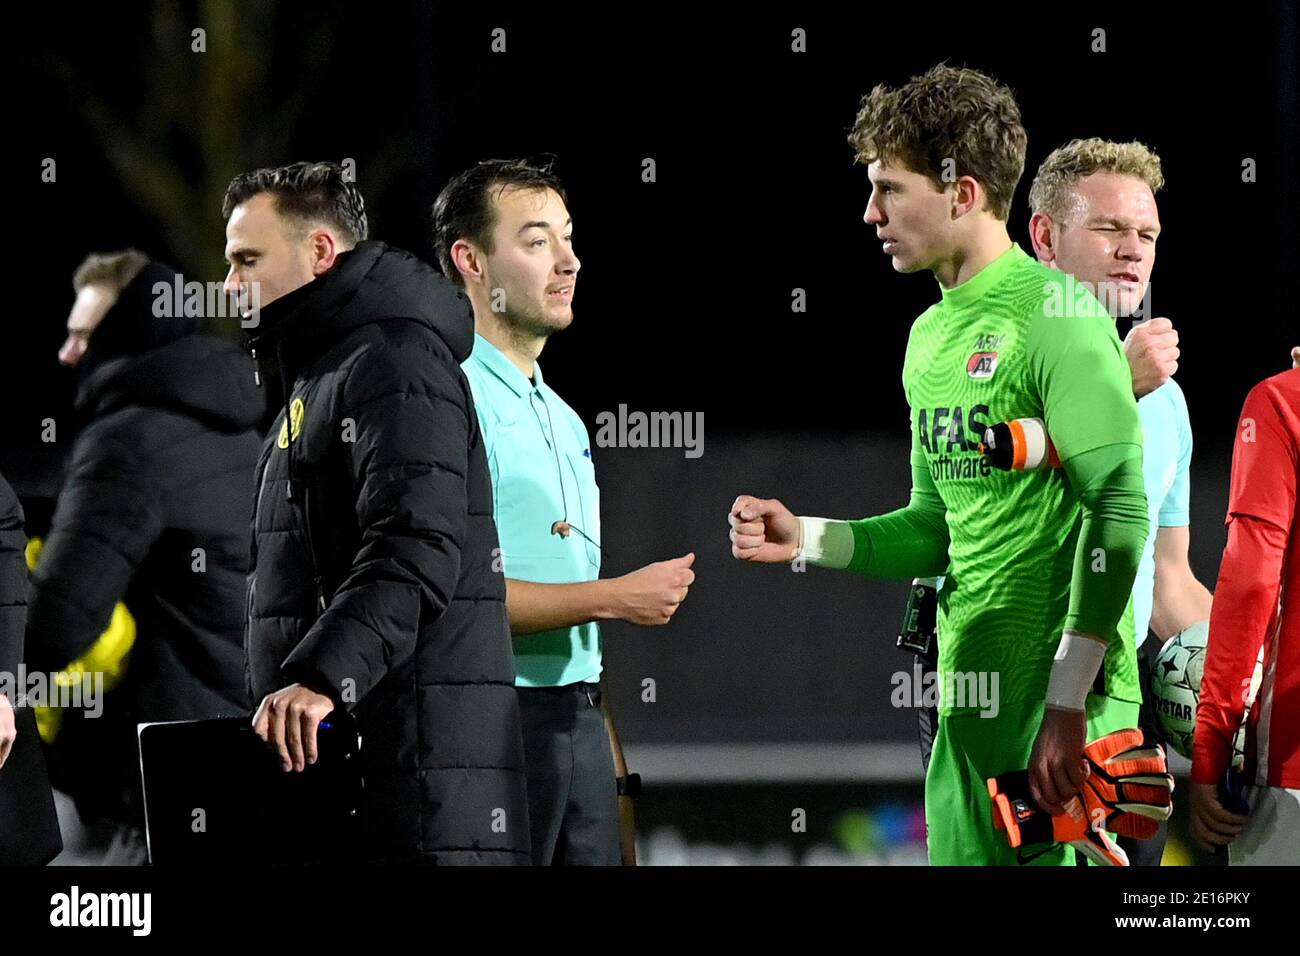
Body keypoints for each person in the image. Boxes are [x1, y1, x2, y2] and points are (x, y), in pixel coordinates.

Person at [729, 65, 1148, 865]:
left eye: (890, 188)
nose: (870, 212)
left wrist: (1068, 700)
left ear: (960, 195)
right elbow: (936, 529)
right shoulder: (928, 338)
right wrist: (808, 538)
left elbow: (1121, 516)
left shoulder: (1058, 317)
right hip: (967, 705)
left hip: (1061, 723)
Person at [226, 161, 530, 863]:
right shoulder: (323, 372)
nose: (230, 284)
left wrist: (320, 676)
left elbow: (415, 546)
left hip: (416, 788)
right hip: (365, 777)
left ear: (320, 253)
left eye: (247, 260)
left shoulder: (395, 360)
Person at [434, 157, 695, 865]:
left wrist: (604, 745)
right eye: (536, 240)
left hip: (580, 720)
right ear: (471, 260)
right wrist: (614, 598)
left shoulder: (568, 419)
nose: (569, 261)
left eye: (568, 238)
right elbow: (460, 600)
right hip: (493, 728)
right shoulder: (448, 404)